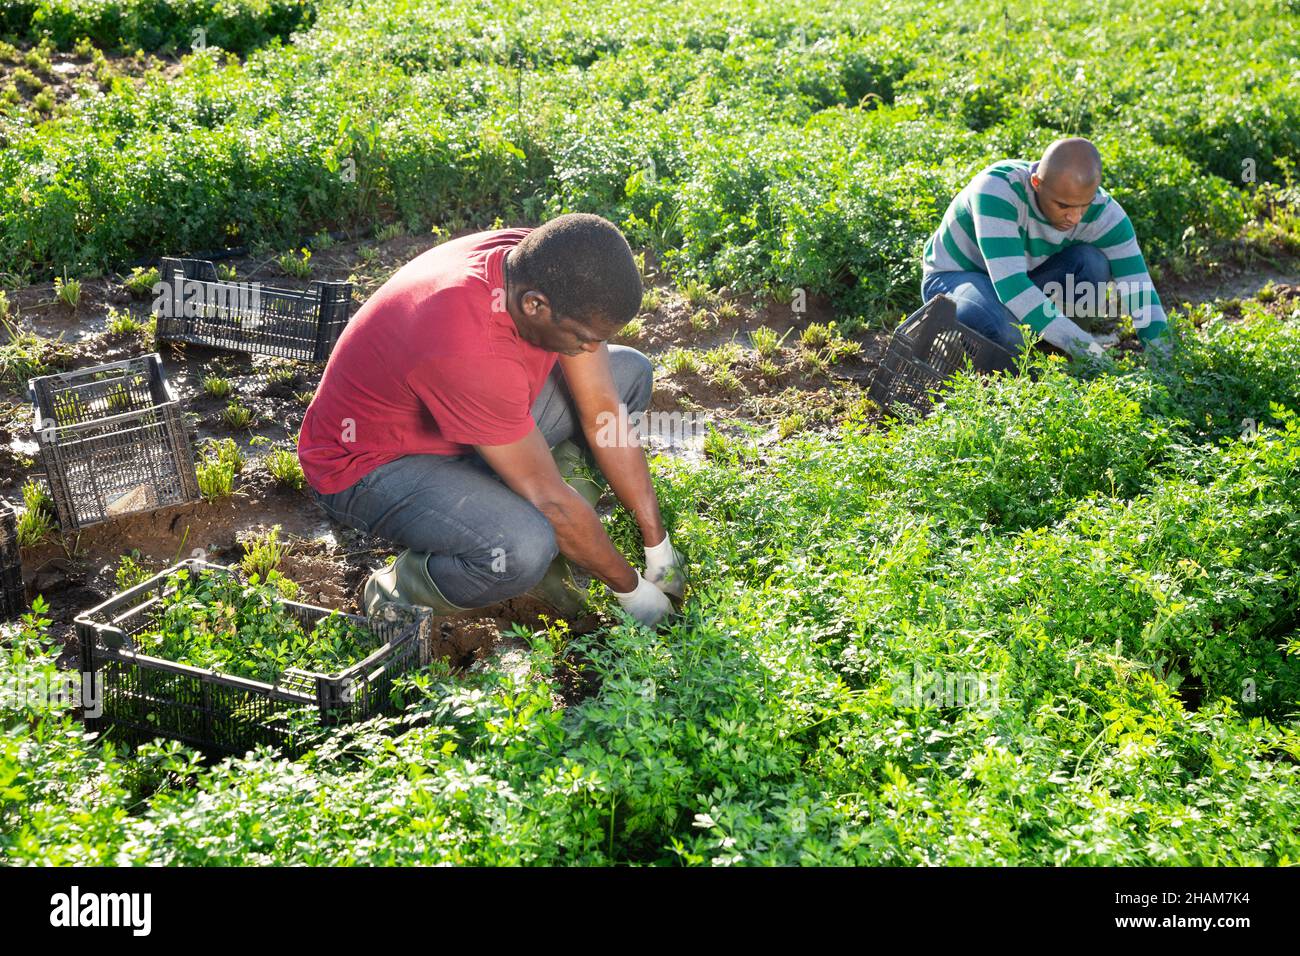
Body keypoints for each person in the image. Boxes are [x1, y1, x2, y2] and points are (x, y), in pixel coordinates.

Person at [296, 213, 687, 628]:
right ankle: (397, 593)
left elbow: (602, 412)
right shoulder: (470, 343)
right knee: (521, 547)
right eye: (583, 337)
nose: (593, 348)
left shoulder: (539, 261)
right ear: (534, 305)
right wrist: (632, 590)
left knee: (628, 373)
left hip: (465, 424)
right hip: (369, 465)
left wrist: (657, 548)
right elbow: (550, 500)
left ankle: (559, 555)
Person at [921, 137, 1172, 358]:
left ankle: (1052, 345)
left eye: (1083, 205)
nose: (1074, 217)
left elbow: (1139, 290)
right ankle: (957, 338)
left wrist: (1166, 360)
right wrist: (1086, 347)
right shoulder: (997, 190)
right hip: (957, 277)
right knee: (1007, 335)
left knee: (1093, 263)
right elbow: (1013, 288)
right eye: (1063, 205)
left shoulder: (1105, 214)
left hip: (1025, 278)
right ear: (1036, 184)